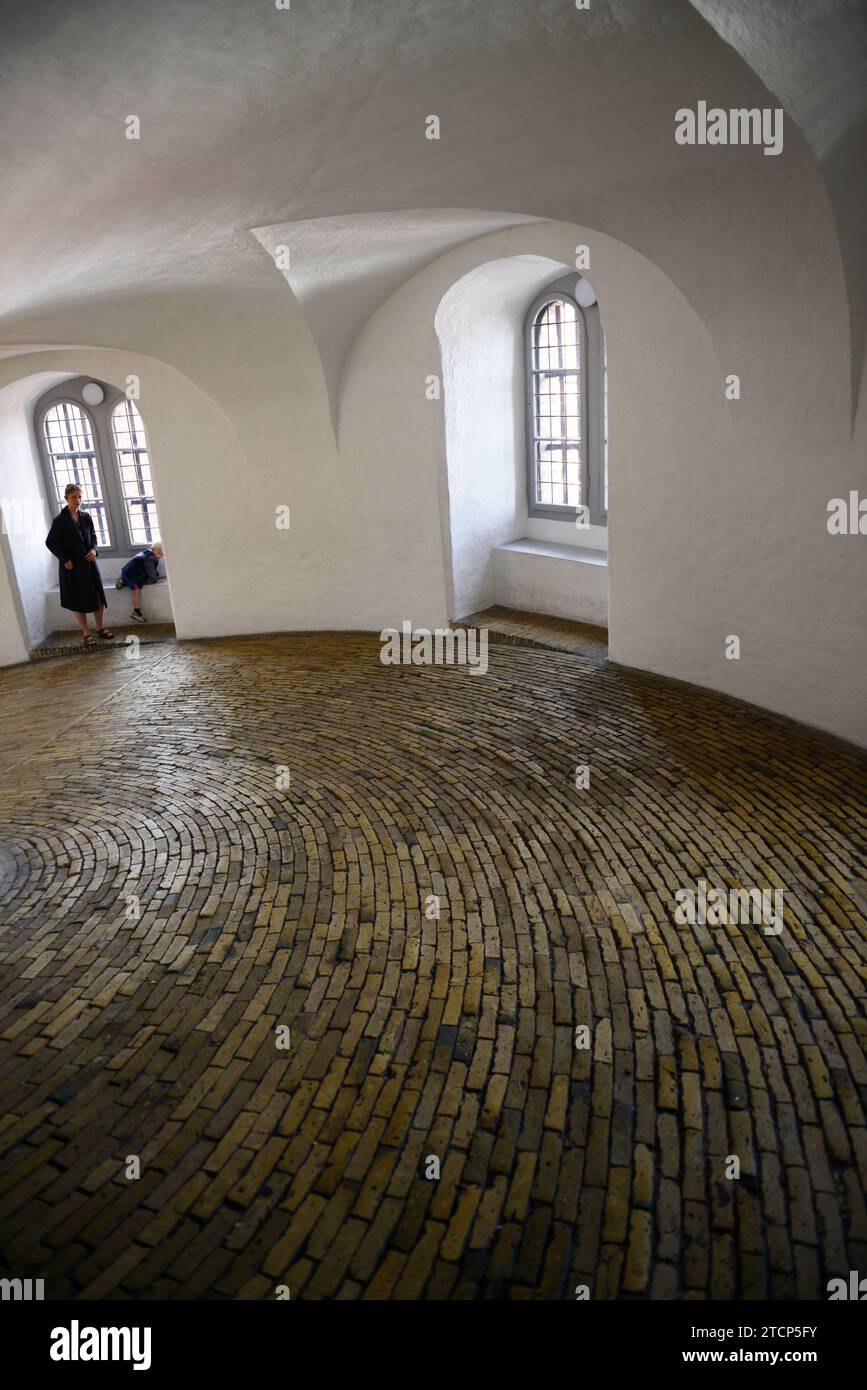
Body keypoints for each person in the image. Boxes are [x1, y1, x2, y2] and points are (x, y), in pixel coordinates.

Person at [45, 484, 114, 646]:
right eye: (74, 497)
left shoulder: (86, 516)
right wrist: (64, 559)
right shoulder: (60, 521)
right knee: (78, 599)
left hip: (89, 564)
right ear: (66, 499)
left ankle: (99, 627)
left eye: (80, 497)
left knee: (97, 595)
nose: (77, 500)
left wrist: (94, 550)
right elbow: (50, 542)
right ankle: (86, 633)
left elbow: (95, 538)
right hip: (72, 567)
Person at [115, 543, 165, 622]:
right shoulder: (149, 559)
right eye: (159, 553)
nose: (160, 556)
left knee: (140, 580)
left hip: (128, 571)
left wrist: (156, 575)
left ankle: (123, 579)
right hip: (131, 574)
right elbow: (151, 572)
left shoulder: (147, 553)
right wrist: (156, 579)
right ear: (153, 550)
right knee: (136, 589)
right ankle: (136, 612)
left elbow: (150, 569)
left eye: (162, 554)